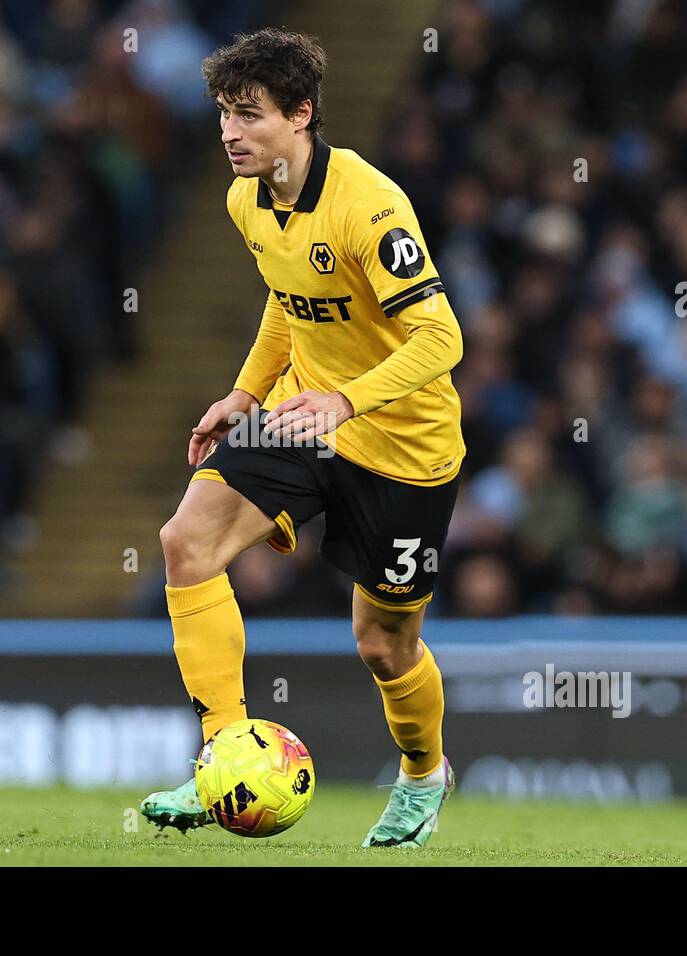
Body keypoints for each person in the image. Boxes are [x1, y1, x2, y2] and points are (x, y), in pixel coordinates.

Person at [141, 28, 466, 848]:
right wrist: (244, 392)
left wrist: (347, 402)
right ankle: (223, 753)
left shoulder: (370, 205)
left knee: (384, 645)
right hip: (301, 415)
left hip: (403, 447)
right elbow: (291, 302)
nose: (230, 133)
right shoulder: (245, 199)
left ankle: (424, 774)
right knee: (187, 542)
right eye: (223, 113)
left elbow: (441, 339)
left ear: (302, 115)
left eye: (249, 115)